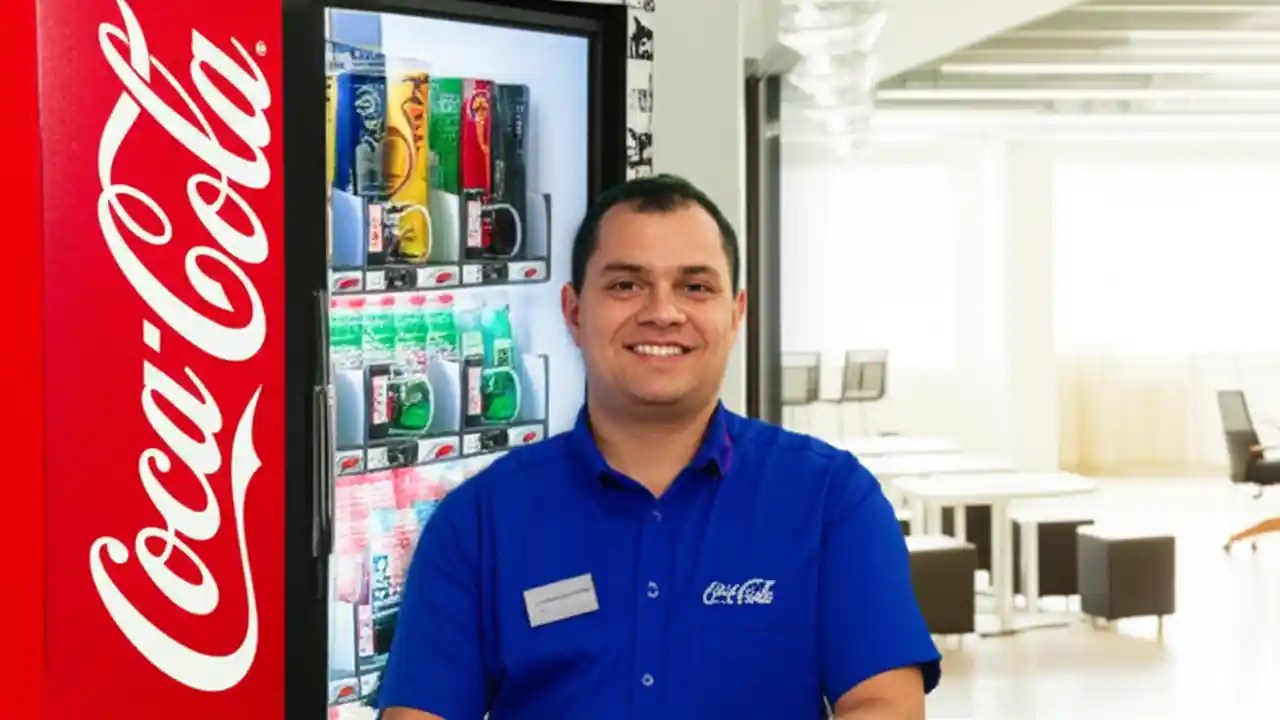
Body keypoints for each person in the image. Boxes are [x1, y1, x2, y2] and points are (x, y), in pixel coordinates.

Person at [377, 174, 941, 719]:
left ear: (735, 313)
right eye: (626, 284)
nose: (663, 313)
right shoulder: (480, 520)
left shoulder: (830, 501)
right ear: (574, 312)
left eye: (695, 287)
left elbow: (882, 704)